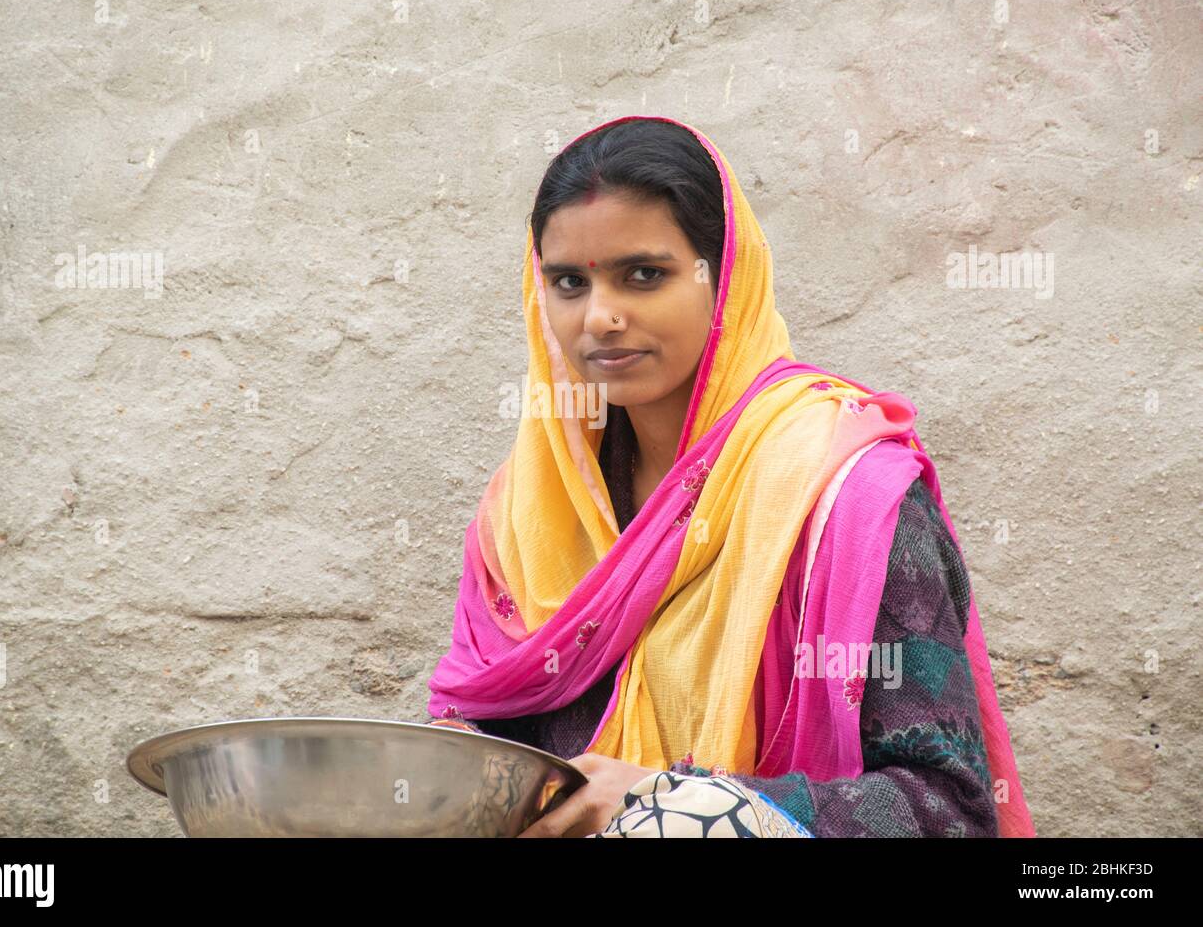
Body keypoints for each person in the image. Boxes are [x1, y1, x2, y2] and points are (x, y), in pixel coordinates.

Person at [423, 115, 1035, 838]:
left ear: (727, 274)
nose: (601, 316)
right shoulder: (523, 515)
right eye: (567, 283)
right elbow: (484, 734)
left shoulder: (844, 497)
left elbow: (948, 812)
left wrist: (675, 805)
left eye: (644, 275)